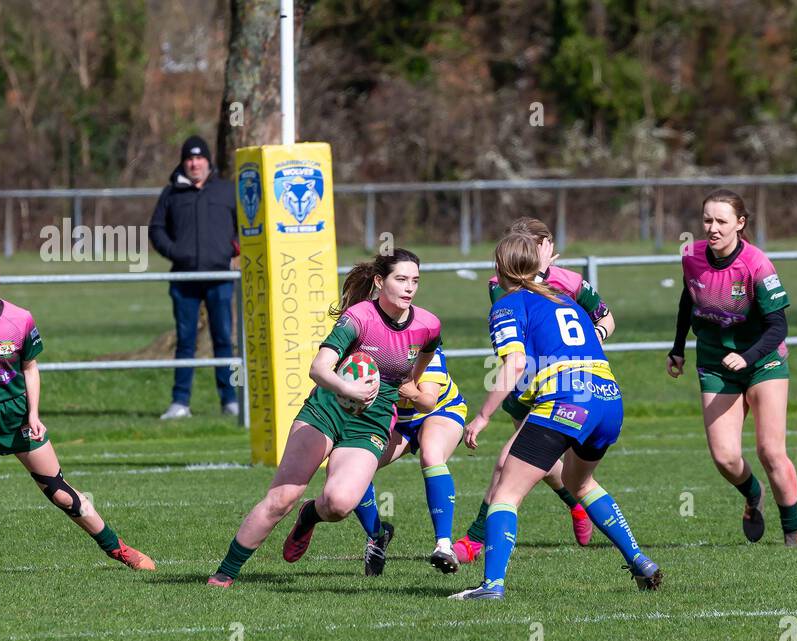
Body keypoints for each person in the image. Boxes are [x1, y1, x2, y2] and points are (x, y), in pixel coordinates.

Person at [208, 249, 442, 586]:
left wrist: (412, 387)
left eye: (415, 281)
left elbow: (423, 356)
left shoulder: (427, 324)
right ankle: (225, 573)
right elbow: (318, 368)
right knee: (282, 498)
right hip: (328, 407)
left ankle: (309, 516)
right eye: (401, 279)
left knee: (338, 503)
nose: (409, 288)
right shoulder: (359, 318)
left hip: (372, 420)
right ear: (379, 281)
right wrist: (348, 388)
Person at [0, 244, 155, 579]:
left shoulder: (20, 319)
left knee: (61, 493)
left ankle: (118, 547)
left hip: (15, 415)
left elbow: (30, 369)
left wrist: (33, 414)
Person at [451, 233, 661, 600]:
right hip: (608, 400)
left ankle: (491, 586)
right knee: (582, 484)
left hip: (566, 399)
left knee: (506, 494)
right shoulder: (566, 300)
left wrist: (483, 416)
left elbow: (515, 363)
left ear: (500, 269)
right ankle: (640, 560)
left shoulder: (509, 303)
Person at [453, 217, 616, 564]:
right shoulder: (501, 284)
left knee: (505, 464)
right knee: (538, 464)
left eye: (535, 245)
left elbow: (607, 318)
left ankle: (474, 540)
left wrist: (591, 342)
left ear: (547, 248)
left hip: (563, 386)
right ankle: (577, 505)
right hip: (525, 385)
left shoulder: (571, 282)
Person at [666, 190, 797, 546]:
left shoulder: (758, 265)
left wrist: (748, 356)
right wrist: (678, 347)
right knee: (725, 457)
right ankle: (752, 492)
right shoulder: (691, 256)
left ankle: (794, 531)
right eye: (707, 220)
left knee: (770, 451)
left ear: (740, 224)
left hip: (763, 361)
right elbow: (689, 299)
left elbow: (778, 326)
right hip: (715, 362)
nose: (712, 228)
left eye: (721, 221)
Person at [350, 342, 467, 575]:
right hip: (396, 421)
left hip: (439, 410)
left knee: (432, 454)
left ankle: (444, 546)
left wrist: (409, 389)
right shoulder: (367, 345)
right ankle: (377, 537)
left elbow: (427, 401)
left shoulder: (422, 341)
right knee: (352, 469)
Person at [148, 135, 240, 420]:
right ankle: (180, 403)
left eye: (199, 158)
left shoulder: (226, 191)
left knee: (223, 338)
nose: (194, 163)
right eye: (189, 158)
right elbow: (156, 230)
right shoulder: (171, 193)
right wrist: (176, 252)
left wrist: (232, 250)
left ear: (208, 161)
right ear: (183, 162)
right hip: (185, 278)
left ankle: (230, 400)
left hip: (220, 276)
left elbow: (245, 227)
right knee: (186, 340)